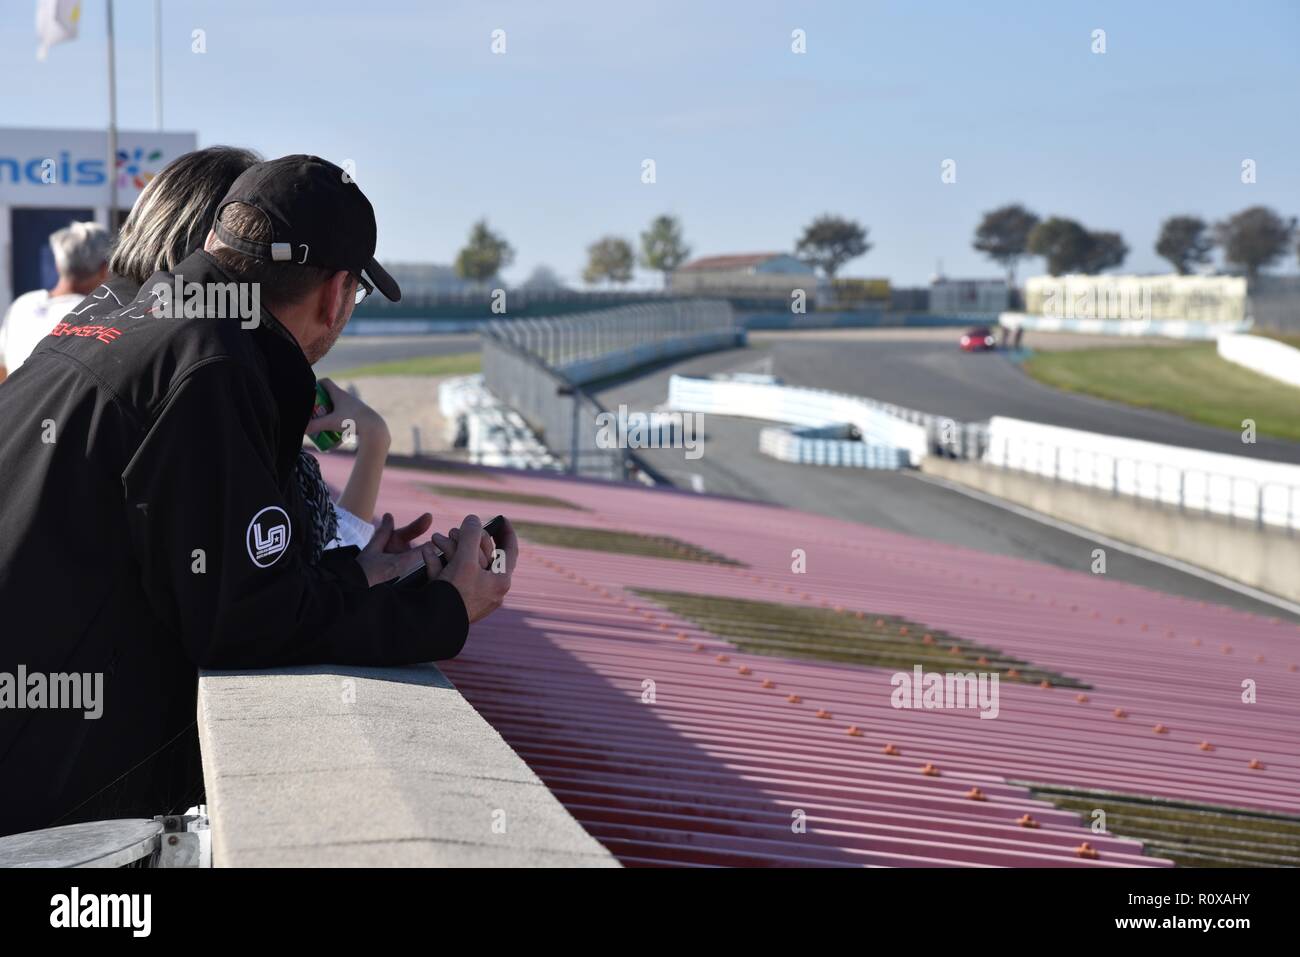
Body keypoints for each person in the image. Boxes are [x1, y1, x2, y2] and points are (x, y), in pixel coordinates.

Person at [0, 155, 516, 837]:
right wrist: (448, 608)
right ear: (336, 295)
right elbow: (247, 624)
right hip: (44, 815)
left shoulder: (122, 315)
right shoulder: (210, 364)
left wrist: (360, 576)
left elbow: (230, 581)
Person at [87, 145, 391, 558]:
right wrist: (373, 439)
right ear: (211, 244)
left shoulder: (101, 326)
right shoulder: (208, 374)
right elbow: (269, 600)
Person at [0, 221, 109, 382]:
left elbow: (2, 369)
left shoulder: (22, 305)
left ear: (58, 265)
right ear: (104, 269)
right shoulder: (98, 314)